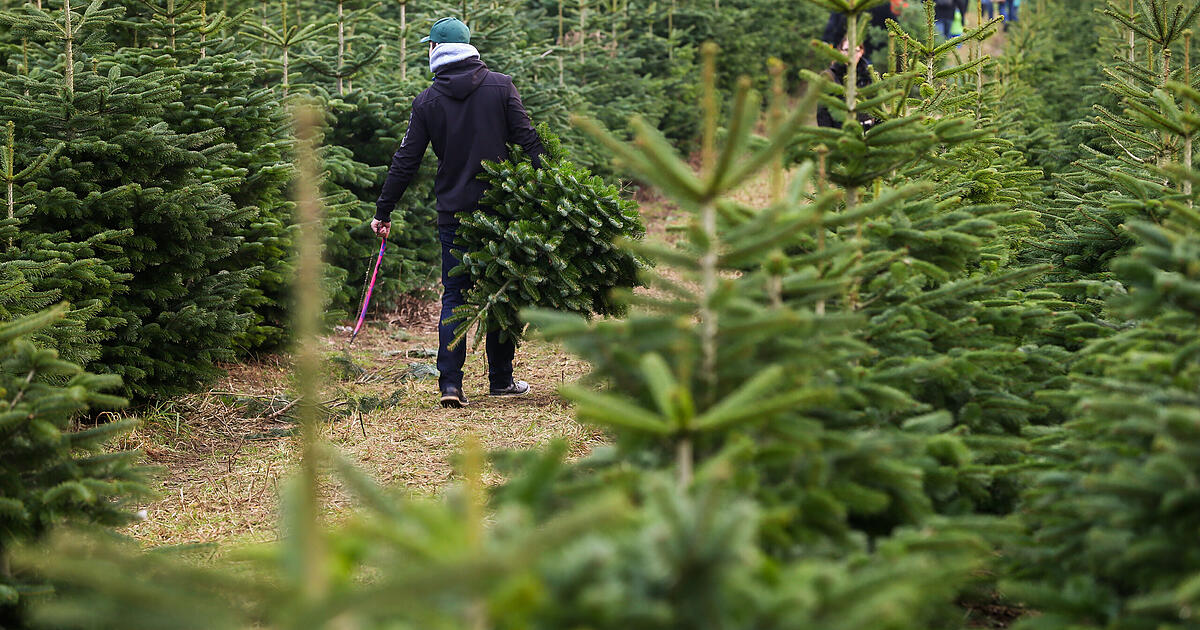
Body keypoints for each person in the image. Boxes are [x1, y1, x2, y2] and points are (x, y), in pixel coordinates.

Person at [372, 16, 544, 408]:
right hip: (502, 211)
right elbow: (528, 141)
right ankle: (501, 380)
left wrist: (384, 211)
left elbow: (405, 161)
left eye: (427, 46)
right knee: (502, 291)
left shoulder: (428, 101)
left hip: (454, 214)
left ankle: (451, 385)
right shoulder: (501, 86)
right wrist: (547, 189)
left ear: (436, 50)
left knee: (455, 294)